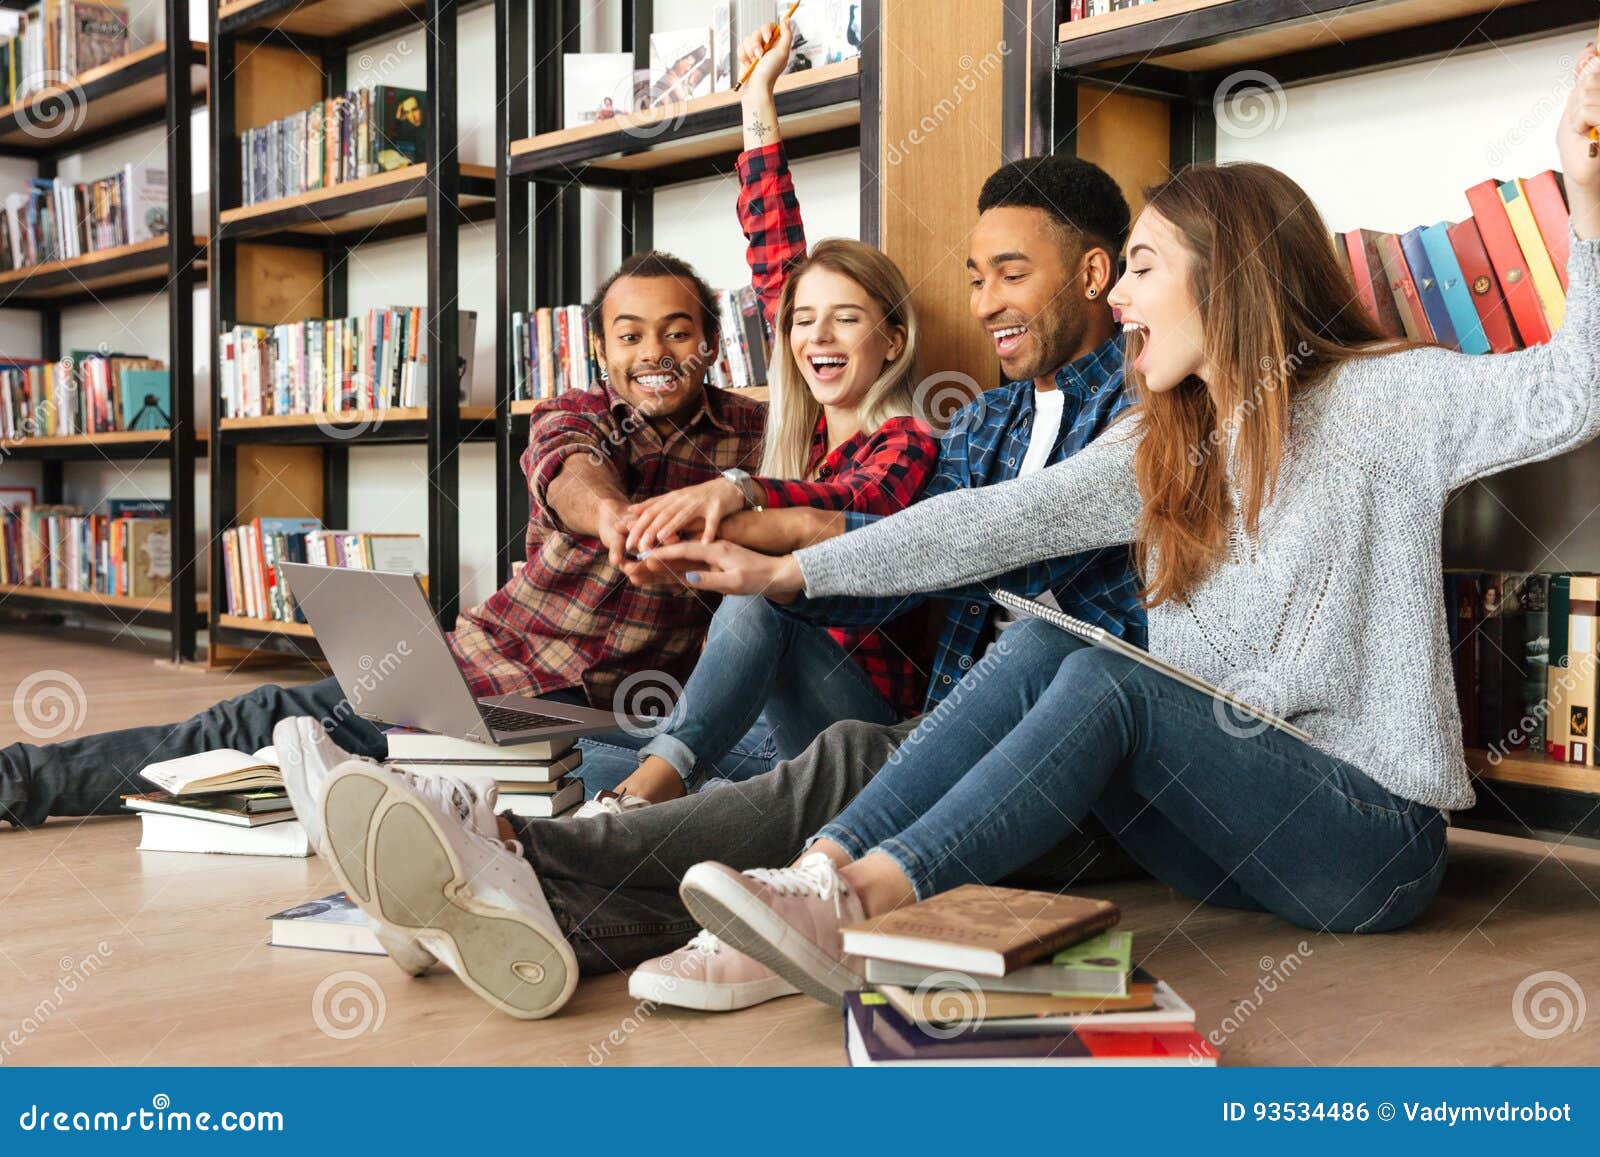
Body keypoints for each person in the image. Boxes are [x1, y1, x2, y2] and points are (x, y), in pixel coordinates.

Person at [639, 50, 1600, 1005]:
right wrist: (793, 575)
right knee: (1047, 638)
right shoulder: (1163, 440)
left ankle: (859, 903)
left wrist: (1588, 196)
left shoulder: (1383, 401)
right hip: (1222, 829)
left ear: (1224, 277)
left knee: (1103, 670)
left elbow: (1575, 391)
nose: (1117, 298)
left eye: (1140, 267)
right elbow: (988, 523)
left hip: (1369, 839)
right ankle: (819, 872)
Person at [298, 74, 1160, 1018]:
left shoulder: (1113, 412)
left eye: (1013, 272)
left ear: (1092, 276)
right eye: (976, 275)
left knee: (825, 761)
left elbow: (913, 523)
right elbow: (889, 525)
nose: (989, 298)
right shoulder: (984, 419)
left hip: (1045, 741)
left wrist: (762, 546)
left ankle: (514, 854)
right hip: (937, 713)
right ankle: (512, 901)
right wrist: (758, 118)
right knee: (717, 763)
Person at [0, 251, 765, 828]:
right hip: (488, 667)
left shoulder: (758, 439)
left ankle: (350, 777)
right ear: (601, 351)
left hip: (610, 718)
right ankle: (20, 781)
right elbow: (571, 470)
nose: (654, 353)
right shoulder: (576, 412)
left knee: (329, 744)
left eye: (678, 331)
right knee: (255, 719)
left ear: (712, 343)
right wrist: (618, 521)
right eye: (630, 335)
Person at [575, 17, 941, 809]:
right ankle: (656, 797)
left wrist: (732, 498)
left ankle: (645, 801)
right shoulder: (801, 434)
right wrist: (758, 98)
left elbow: (848, 512)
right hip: (788, 723)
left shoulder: (908, 439)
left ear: (893, 337)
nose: (818, 336)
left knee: (762, 601)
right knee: (581, 750)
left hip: (871, 731)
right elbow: (779, 259)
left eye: (848, 318)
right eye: (804, 322)